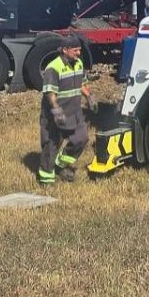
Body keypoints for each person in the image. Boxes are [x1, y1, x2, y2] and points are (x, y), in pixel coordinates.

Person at [38, 34, 91, 184]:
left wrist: (89, 97)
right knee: (51, 144)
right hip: (55, 113)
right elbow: (50, 92)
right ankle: (46, 178)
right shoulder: (53, 68)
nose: (79, 53)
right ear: (65, 50)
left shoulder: (79, 63)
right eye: (75, 50)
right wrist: (56, 111)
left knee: (82, 138)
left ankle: (60, 165)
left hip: (74, 112)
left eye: (79, 50)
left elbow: (82, 84)